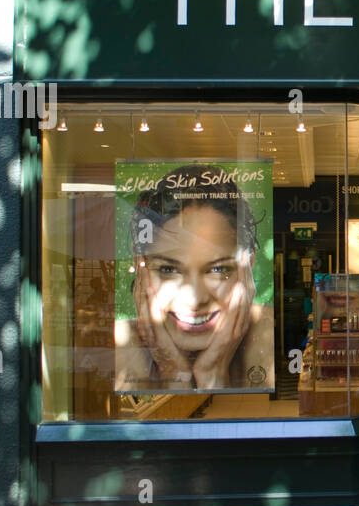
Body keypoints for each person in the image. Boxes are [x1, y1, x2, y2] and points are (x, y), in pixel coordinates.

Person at [115, 164, 272, 391]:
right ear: (141, 268)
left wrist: (213, 376)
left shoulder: (267, 338)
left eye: (218, 270)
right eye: (169, 270)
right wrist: (173, 371)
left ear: (248, 265)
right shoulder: (119, 348)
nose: (196, 299)